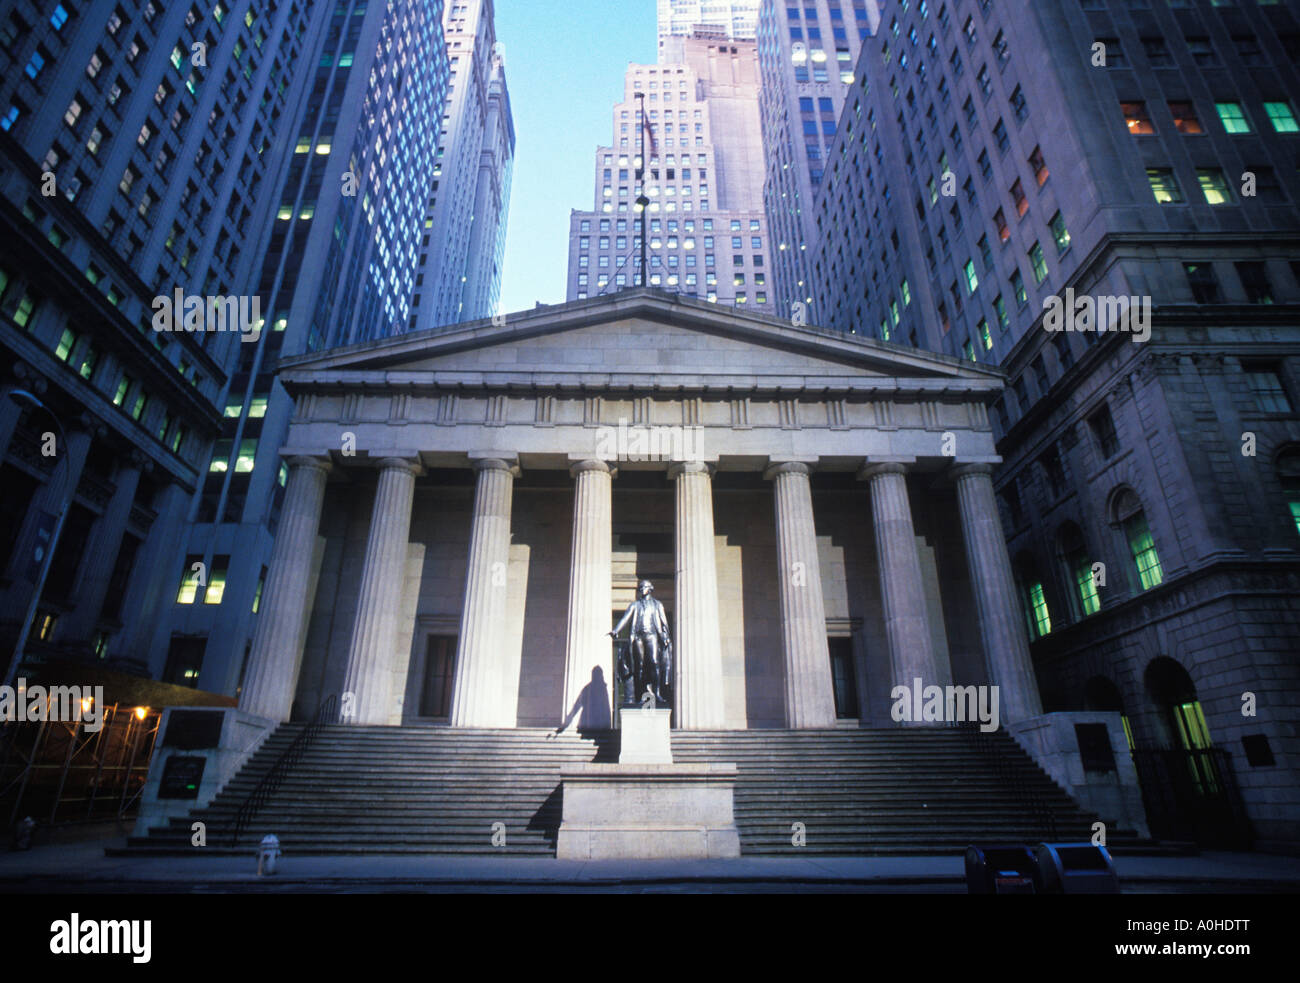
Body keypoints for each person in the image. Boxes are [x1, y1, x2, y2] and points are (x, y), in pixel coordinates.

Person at [608, 579, 672, 706]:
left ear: (650, 589)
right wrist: (616, 630)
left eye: (645, 587)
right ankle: (640, 695)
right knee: (639, 666)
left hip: (652, 636)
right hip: (638, 638)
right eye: (641, 587)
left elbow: (663, 622)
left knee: (654, 663)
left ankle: (657, 693)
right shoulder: (634, 605)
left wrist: (665, 636)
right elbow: (625, 618)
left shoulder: (657, 604)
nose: (642, 589)